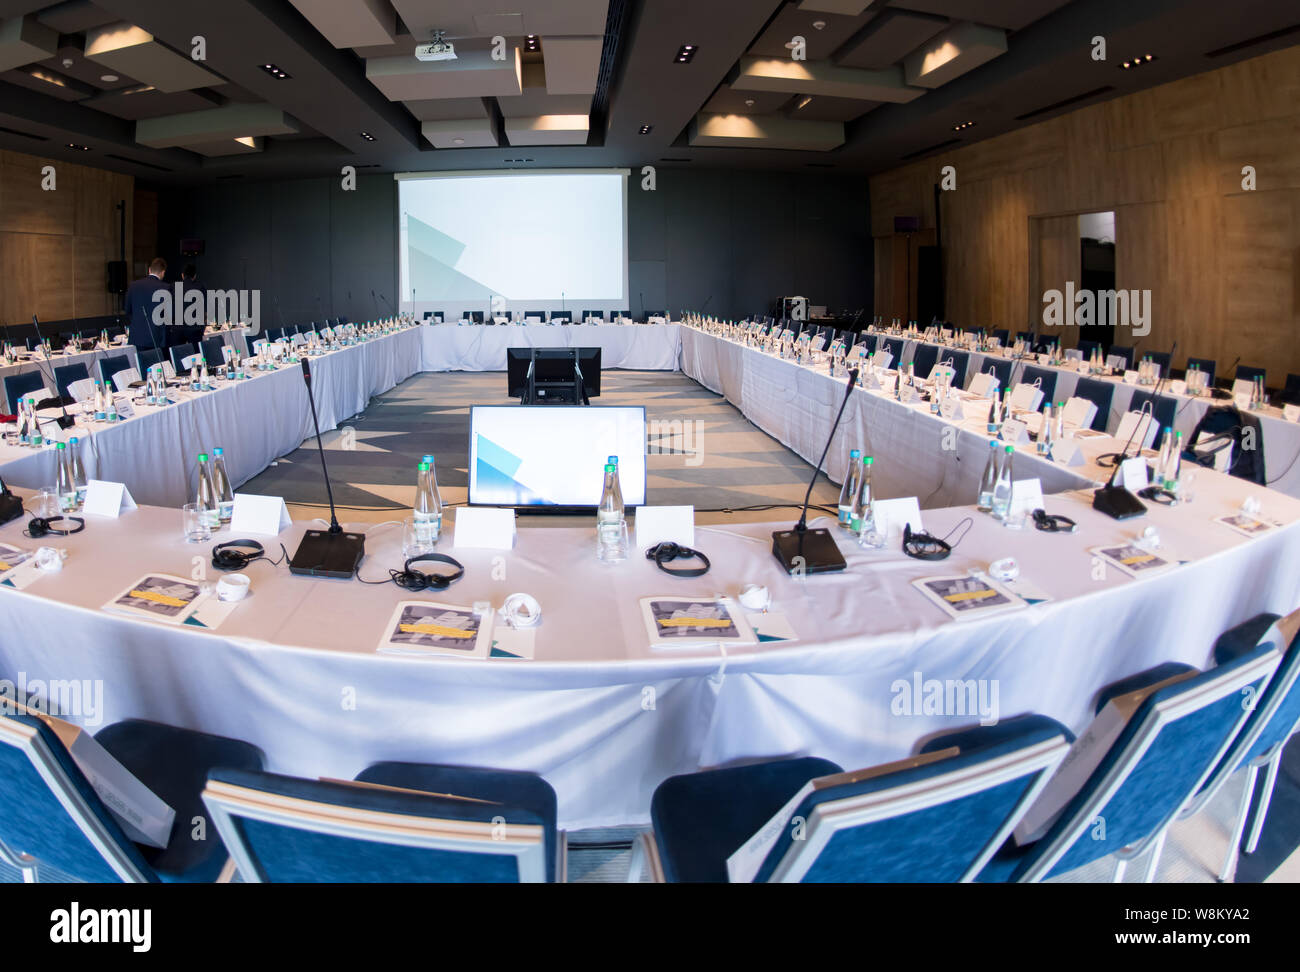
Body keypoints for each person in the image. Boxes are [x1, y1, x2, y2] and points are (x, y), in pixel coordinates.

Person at [124, 257, 171, 354]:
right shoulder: (166, 287)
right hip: (157, 336)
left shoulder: (134, 285)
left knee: (142, 365)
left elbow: (127, 310)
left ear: (149, 270)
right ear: (163, 272)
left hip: (138, 336)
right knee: (156, 366)